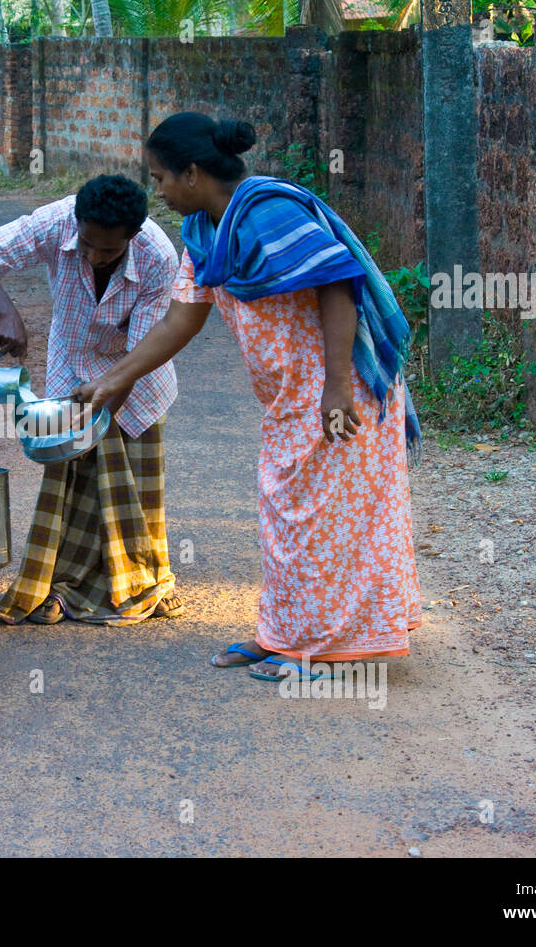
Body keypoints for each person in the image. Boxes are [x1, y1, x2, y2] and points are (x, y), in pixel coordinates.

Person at [77, 113, 422, 677]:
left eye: (161, 177)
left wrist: (337, 387)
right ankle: (284, 634)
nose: (157, 191)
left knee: (327, 522)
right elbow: (179, 322)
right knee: (286, 516)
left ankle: (326, 651)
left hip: (337, 389)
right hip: (290, 397)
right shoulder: (206, 234)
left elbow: (338, 285)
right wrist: (116, 378)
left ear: (192, 173)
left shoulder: (269, 213)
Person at [0, 174, 183, 625]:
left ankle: (133, 580)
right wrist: (7, 312)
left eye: (108, 250)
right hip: (72, 365)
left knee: (123, 485)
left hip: (135, 378)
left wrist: (89, 427)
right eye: (86, 245)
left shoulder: (159, 257)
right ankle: (61, 583)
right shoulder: (58, 221)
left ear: (133, 237)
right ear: (77, 223)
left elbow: (142, 353)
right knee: (68, 488)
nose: (94, 256)